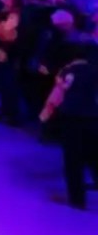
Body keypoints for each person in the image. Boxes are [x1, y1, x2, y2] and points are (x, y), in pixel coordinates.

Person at [38, 40, 98, 209]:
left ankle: (77, 199)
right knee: (94, 155)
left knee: (73, 160)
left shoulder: (68, 71)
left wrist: (44, 117)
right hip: (94, 118)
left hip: (72, 118)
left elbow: (56, 96)